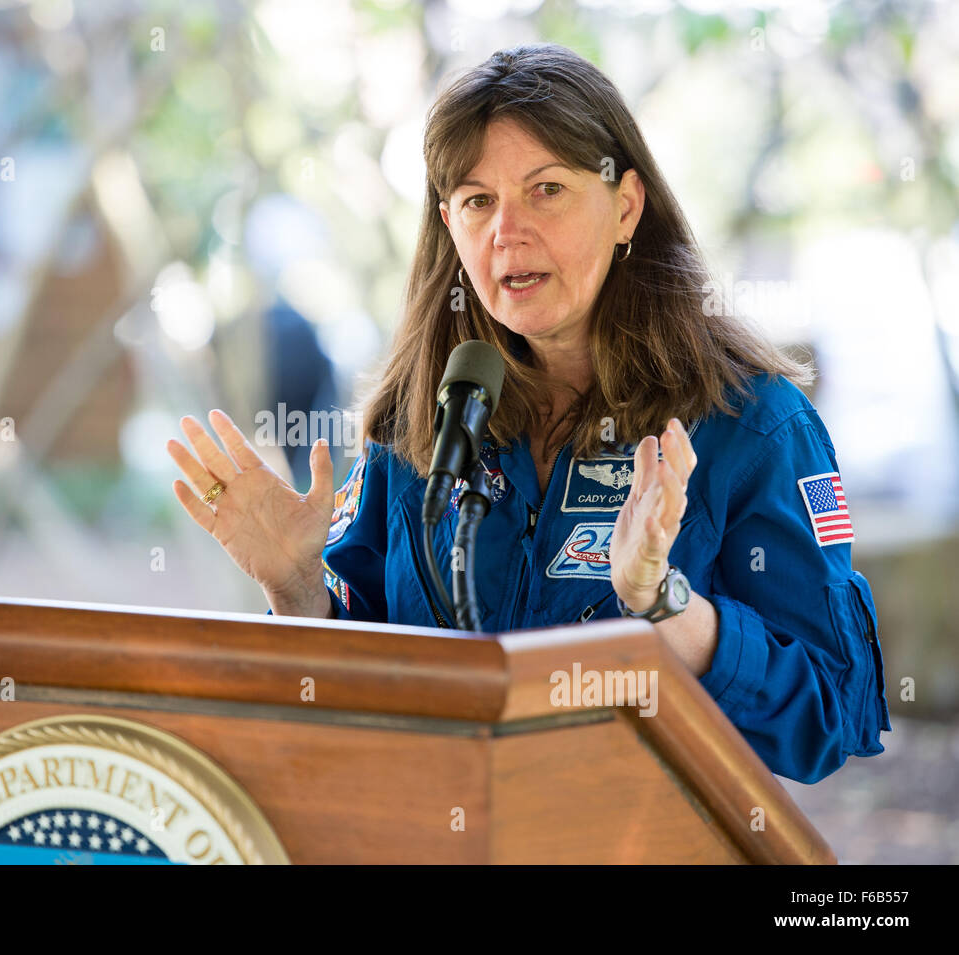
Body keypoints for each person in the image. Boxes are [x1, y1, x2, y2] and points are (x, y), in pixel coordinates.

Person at [165, 44, 890, 785]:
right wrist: (298, 592)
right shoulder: (426, 422)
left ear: (625, 205)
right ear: (450, 225)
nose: (506, 232)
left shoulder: (754, 423)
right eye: (478, 201)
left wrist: (661, 602)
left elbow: (831, 711)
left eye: (546, 190)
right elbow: (362, 686)